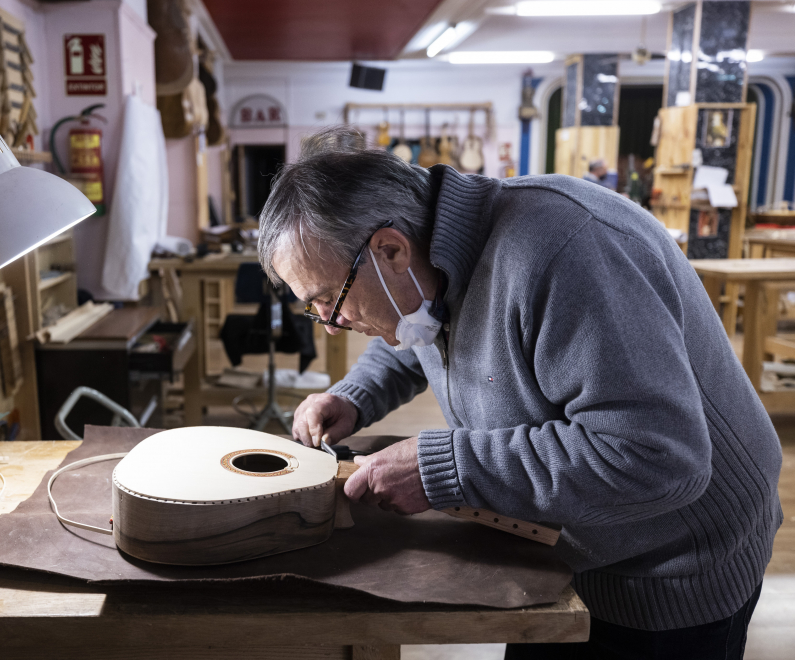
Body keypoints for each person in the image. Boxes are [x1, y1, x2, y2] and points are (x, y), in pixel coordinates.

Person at [256, 126, 783, 659]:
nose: (329, 325)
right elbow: (419, 326)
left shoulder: (565, 251)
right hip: (562, 542)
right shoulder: (430, 255)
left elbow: (658, 457)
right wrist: (354, 395)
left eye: (330, 299)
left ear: (390, 249)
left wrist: (446, 466)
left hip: (670, 565)